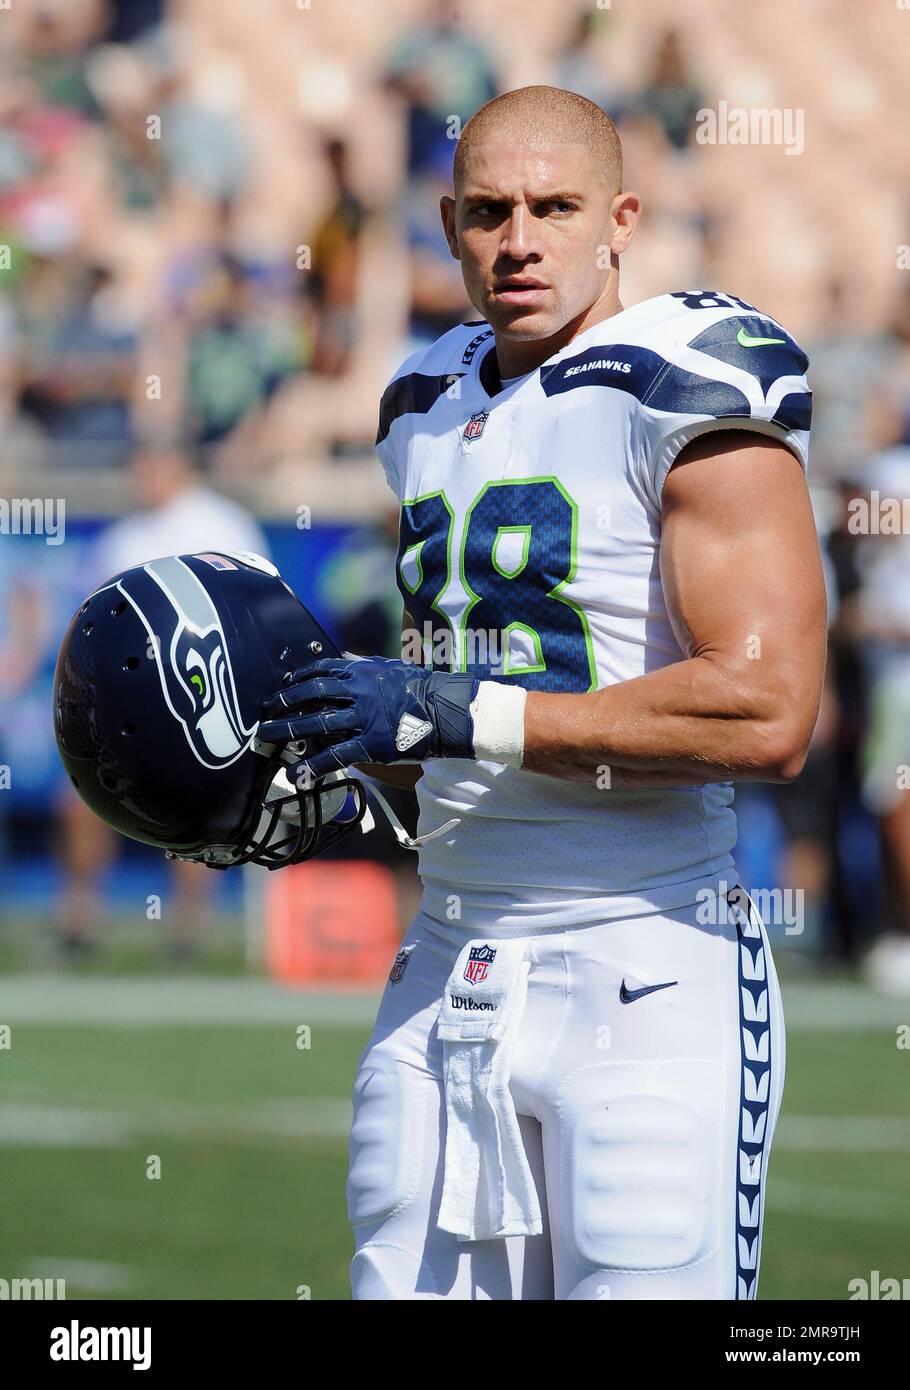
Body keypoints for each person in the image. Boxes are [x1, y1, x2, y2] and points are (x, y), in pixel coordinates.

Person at [260, 87, 826, 1300]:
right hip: (446, 960)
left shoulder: (688, 385)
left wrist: (464, 712)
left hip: (647, 962)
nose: (519, 239)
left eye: (554, 207)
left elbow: (770, 710)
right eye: (487, 211)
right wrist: (330, 792)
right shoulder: (420, 399)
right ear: (448, 222)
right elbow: (445, 729)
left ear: (619, 217)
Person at [57, 443, 268, 956]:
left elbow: (254, 610)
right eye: (138, 464)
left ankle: (187, 931)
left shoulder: (222, 525)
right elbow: (88, 634)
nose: (144, 474)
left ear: (179, 464)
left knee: (195, 797)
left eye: (153, 461)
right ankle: (80, 920)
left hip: (204, 695)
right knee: (81, 798)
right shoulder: (122, 537)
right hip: (126, 704)